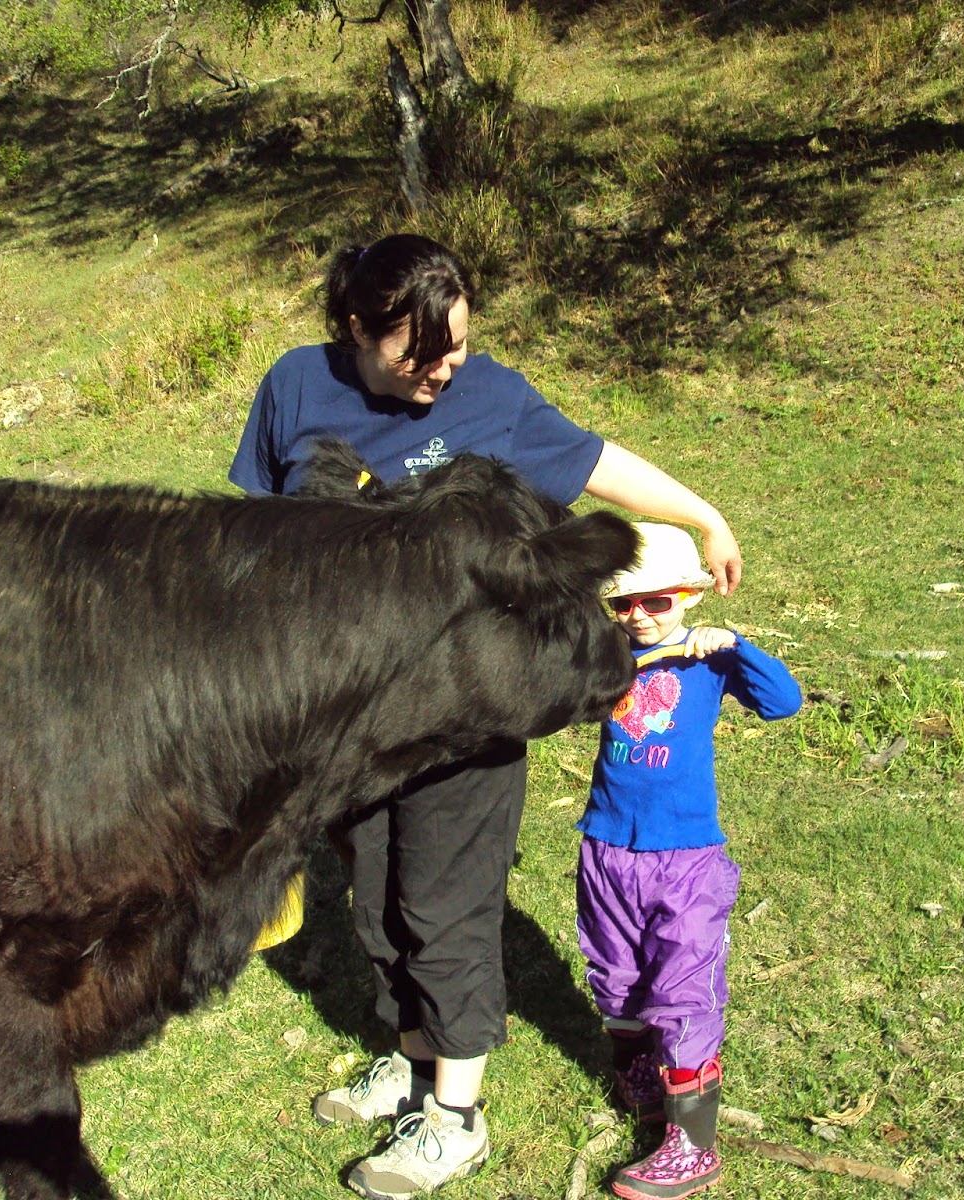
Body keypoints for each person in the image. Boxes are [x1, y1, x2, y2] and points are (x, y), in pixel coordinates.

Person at [228, 233, 742, 1200]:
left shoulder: (490, 398)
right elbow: (257, 532)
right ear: (357, 330)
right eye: (418, 354)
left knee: (445, 905)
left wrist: (703, 516)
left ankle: (455, 1119)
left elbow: (595, 462)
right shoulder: (296, 386)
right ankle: (413, 1061)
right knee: (375, 897)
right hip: (351, 720)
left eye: (457, 345)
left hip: (466, 714)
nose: (443, 370)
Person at [576, 523, 801, 1200]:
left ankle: (693, 1146)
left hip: (686, 858)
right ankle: (642, 1079)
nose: (640, 616)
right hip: (608, 847)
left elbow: (783, 703)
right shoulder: (609, 655)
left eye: (656, 601)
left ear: (690, 597)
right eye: (623, 604)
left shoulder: (709, 661)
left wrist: (737, 647)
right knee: (616, 975)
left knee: (684, 986)